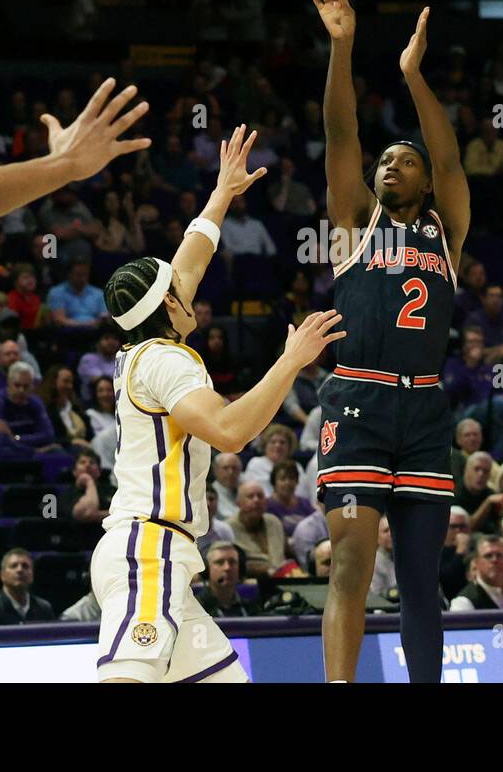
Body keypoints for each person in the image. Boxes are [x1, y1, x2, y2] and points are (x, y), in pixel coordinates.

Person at [90, 124, 343, 683]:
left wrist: (223, 193)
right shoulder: (165, 362)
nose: (191, 291)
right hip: (148, 549)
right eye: (178, 291)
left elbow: (191, 260)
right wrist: (291, 360)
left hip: (160, 552)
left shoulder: (147, 343)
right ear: (167, 307)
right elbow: (230, 432)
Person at [311, 0, 471, 683]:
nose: (390, 165)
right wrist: (342, 48)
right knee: (351, 563)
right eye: (385, 160)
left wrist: (412, 75)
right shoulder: (353, 222)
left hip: (426, 409)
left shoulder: (447, 229)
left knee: (421, 581)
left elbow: (452, 156)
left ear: (424, 181)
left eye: (404, 161)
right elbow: (340, 129)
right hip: (359, 401)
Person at [448, 536, 503, 610]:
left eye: (499, 555)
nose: (495, 560)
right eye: (488, 556)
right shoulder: (463, 603)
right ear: (476, 562)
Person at [228, 481, 292, 576]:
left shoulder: (274, 522)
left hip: (282, 579)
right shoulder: (228, 529)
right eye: (250, 496)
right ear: (238, 503)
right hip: (250, 583)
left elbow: (288, 554)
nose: (256, 500)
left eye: (260, 496)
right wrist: (264, 571)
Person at [0, 549, 57, 625]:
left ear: (32, 574)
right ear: (2, 575)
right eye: (14, 566)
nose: (20, 570)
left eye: (25, 566)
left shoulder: (44, 608)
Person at [197, 542, 258, 618]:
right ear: (207, 569)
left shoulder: (252, 609)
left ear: (240, 568)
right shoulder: (195, 609)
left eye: (232, 562)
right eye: (219, 562)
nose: (227, 568)